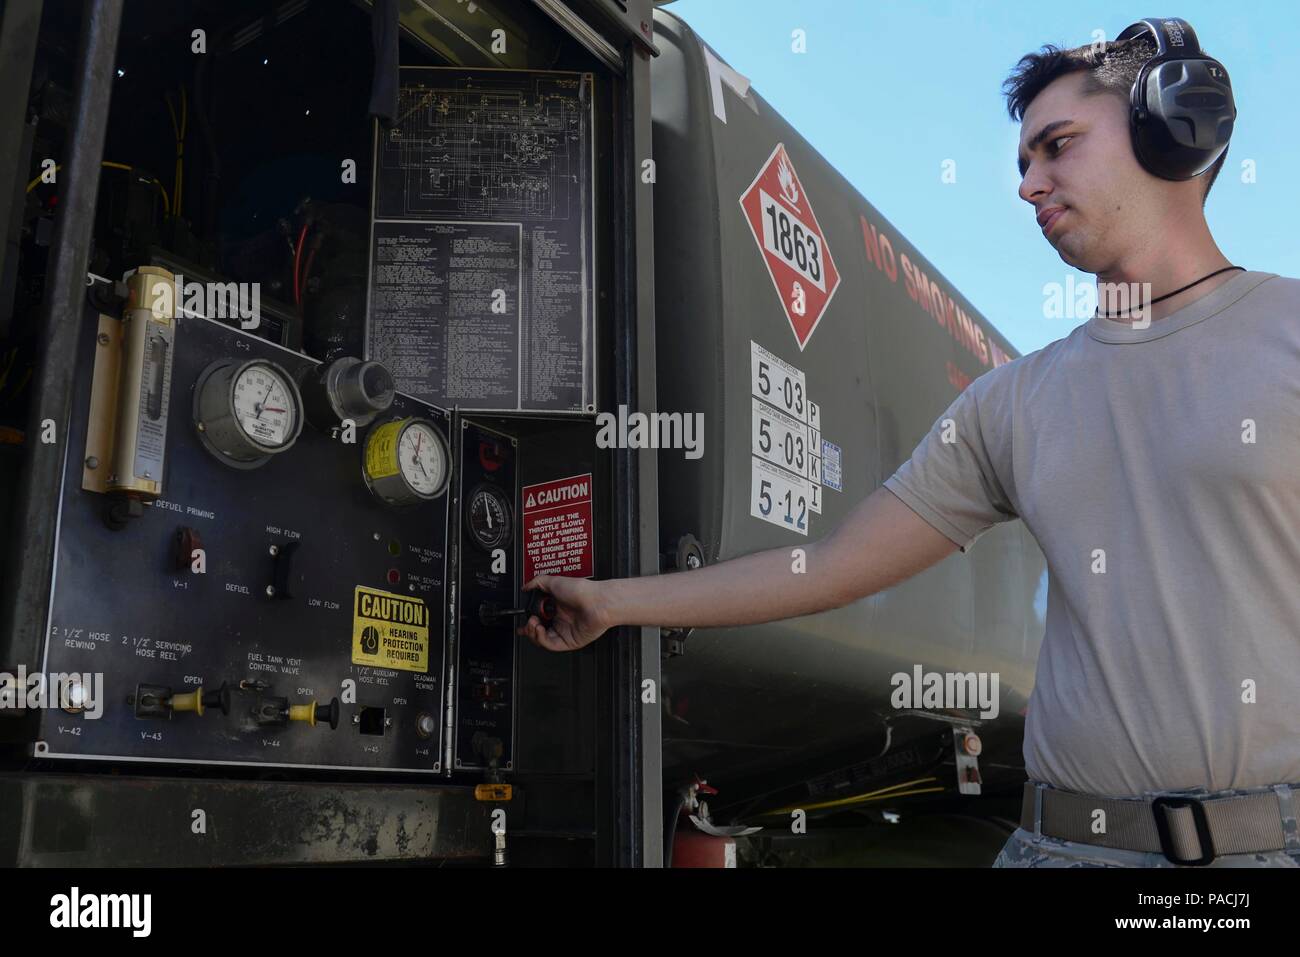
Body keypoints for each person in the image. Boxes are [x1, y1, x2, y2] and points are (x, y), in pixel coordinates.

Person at [518, 21, 1300, 867]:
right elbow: (825, 567)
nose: (1030, 184)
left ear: (1172, 126)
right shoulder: (1013, 402)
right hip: (1057, 849)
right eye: (1022, 164)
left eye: (1057, 145)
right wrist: (618, 602)